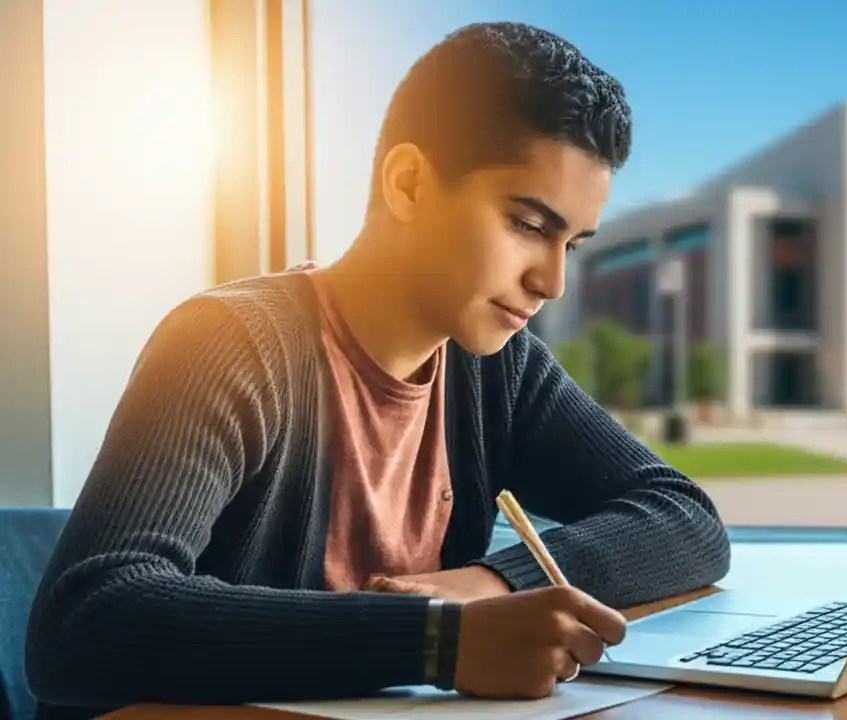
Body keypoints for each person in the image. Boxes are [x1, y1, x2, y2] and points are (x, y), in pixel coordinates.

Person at [25, 21, 730, 718]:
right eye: (527, 225)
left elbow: (685, 519)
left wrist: (490, 581)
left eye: (571, 244)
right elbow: (86, 622)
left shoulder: (498, 370)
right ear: (408, 183)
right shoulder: (230, 346)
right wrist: (434, 642)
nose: (552, 283)